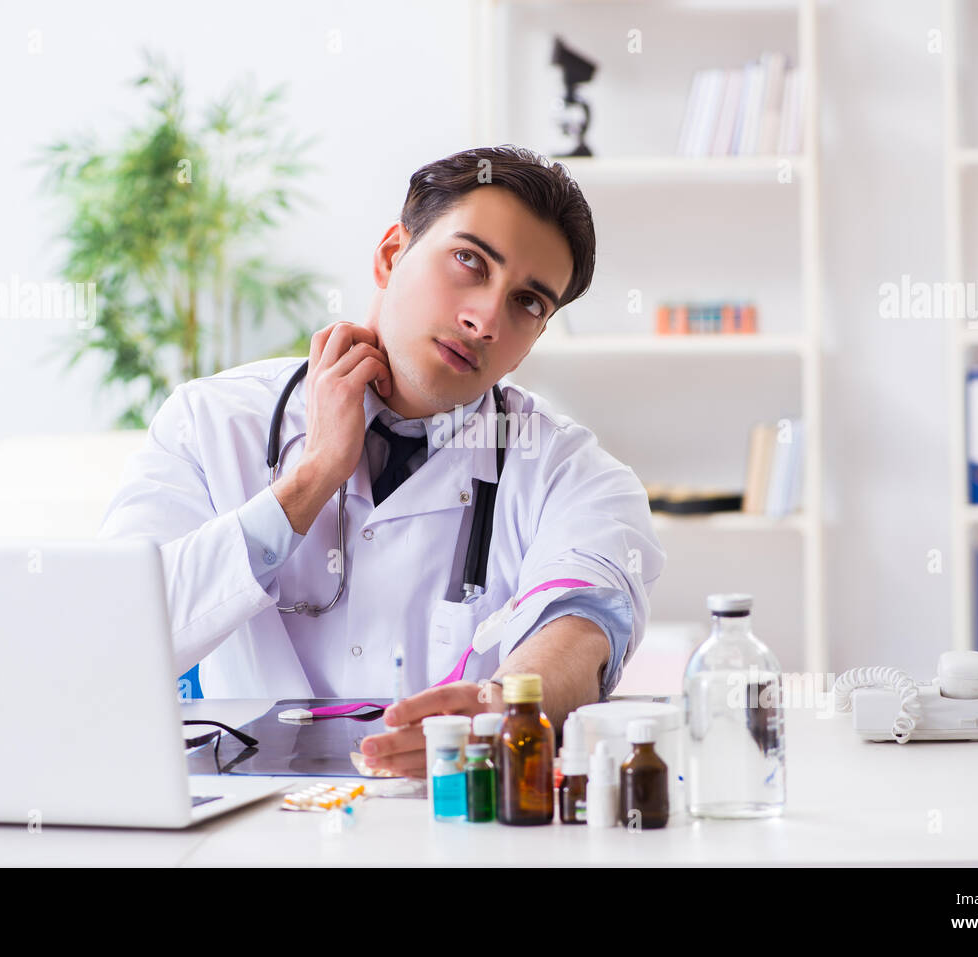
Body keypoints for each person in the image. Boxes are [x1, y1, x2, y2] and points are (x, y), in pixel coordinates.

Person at [98, 144, 666, 776]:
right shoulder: (210, 423)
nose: (484, 319)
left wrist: (498, 709)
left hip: (445, 822)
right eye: (469, 261)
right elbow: (114, 641)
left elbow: (583, 622)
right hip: (250, 827)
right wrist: (312, 477)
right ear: (392, 254)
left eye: (527, 302)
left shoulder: (567, 470)